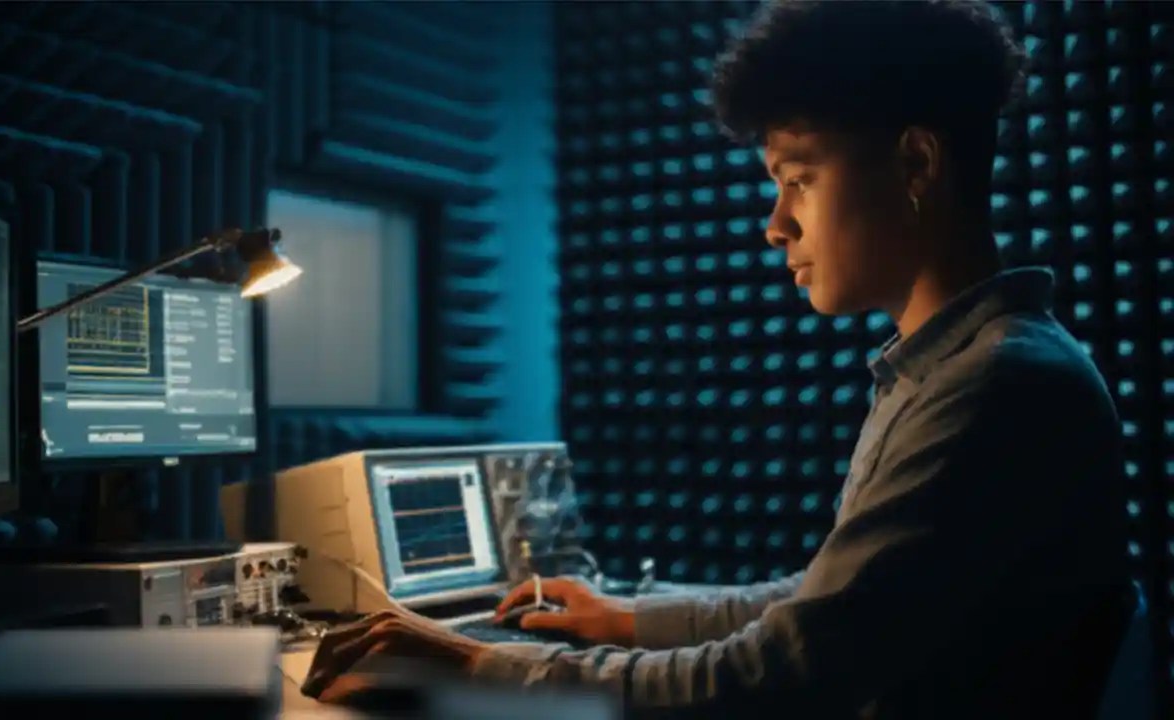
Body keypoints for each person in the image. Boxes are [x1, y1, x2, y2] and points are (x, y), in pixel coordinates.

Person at [307, 1, 1133, 717]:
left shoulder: (996, 387)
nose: (776, 225)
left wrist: (488, 668)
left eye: (799, 179)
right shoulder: (959, 368)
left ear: (916, 162)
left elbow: (783, 673)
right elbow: (829, 604)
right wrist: (628, 619)